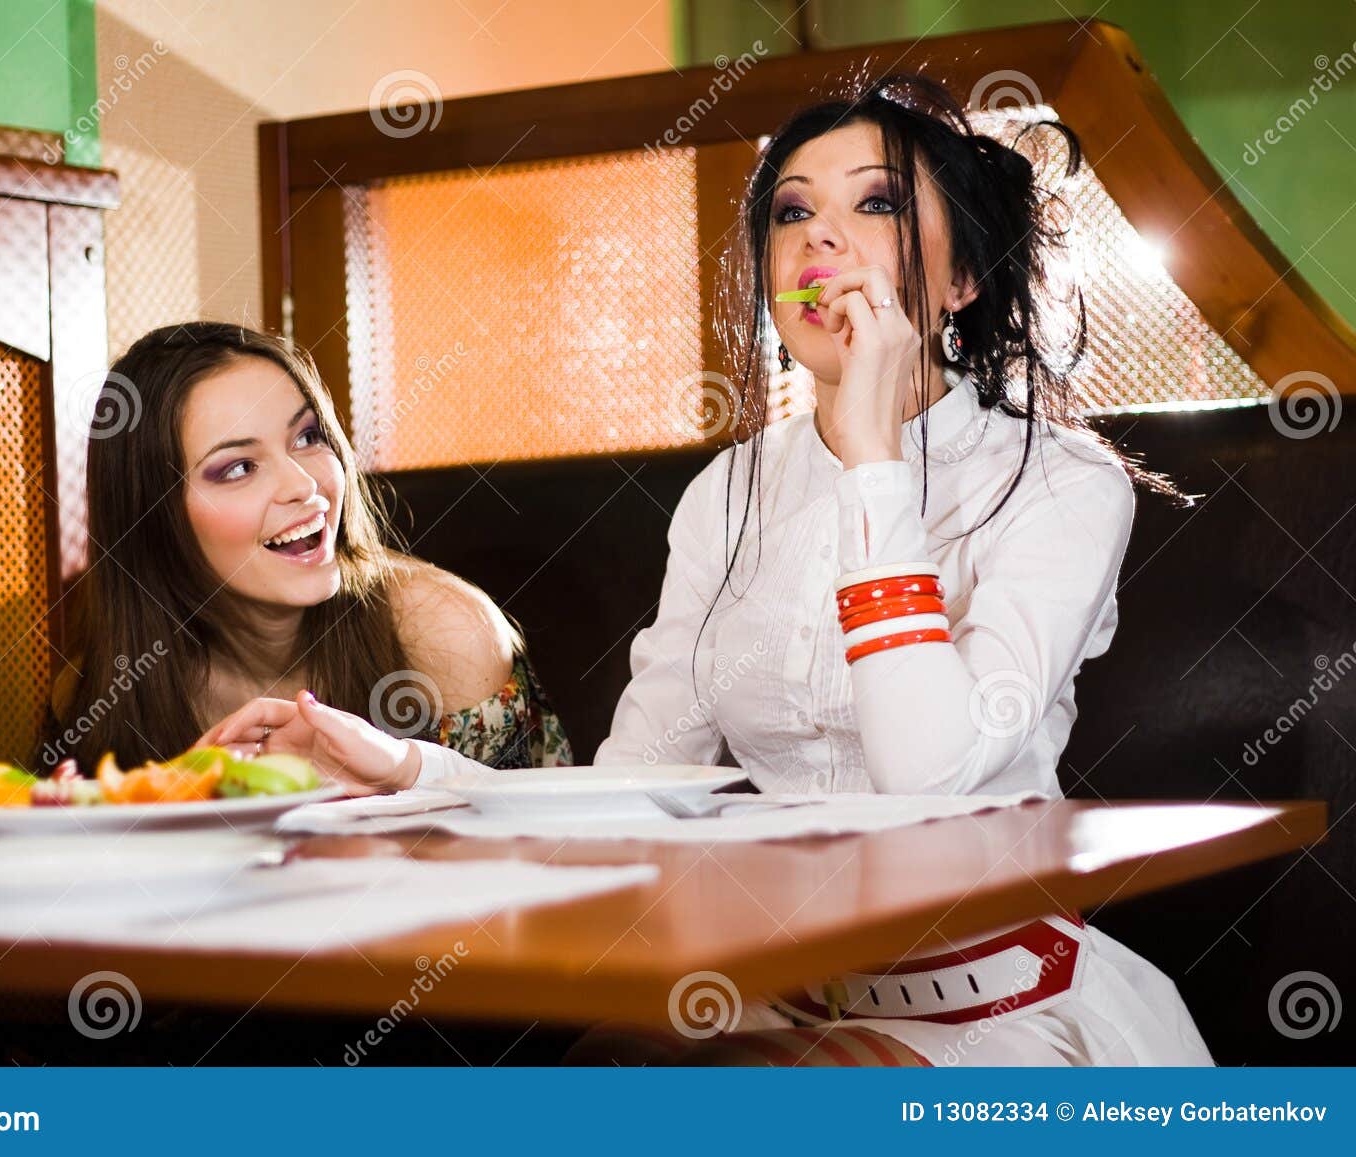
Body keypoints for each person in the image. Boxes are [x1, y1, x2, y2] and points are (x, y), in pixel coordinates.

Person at [204, 74, 1213, 1066]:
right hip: (775, 1000)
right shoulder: (726, 494)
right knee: (602, 1073)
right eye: (790, 212)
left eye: (876, 203)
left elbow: (929, 770)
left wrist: (872, 463)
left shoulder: (1063, 480)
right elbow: (633, 796)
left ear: (960, 281)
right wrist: (407, 771)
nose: (818, 236)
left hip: (1000, 1011)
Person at [40, 322, 570, 782]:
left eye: (307, 436)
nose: (304, 485)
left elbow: (542, 857)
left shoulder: (445, 634)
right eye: (239, 467)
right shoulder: (102, 691)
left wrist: (404, 772)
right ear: (154, 518)